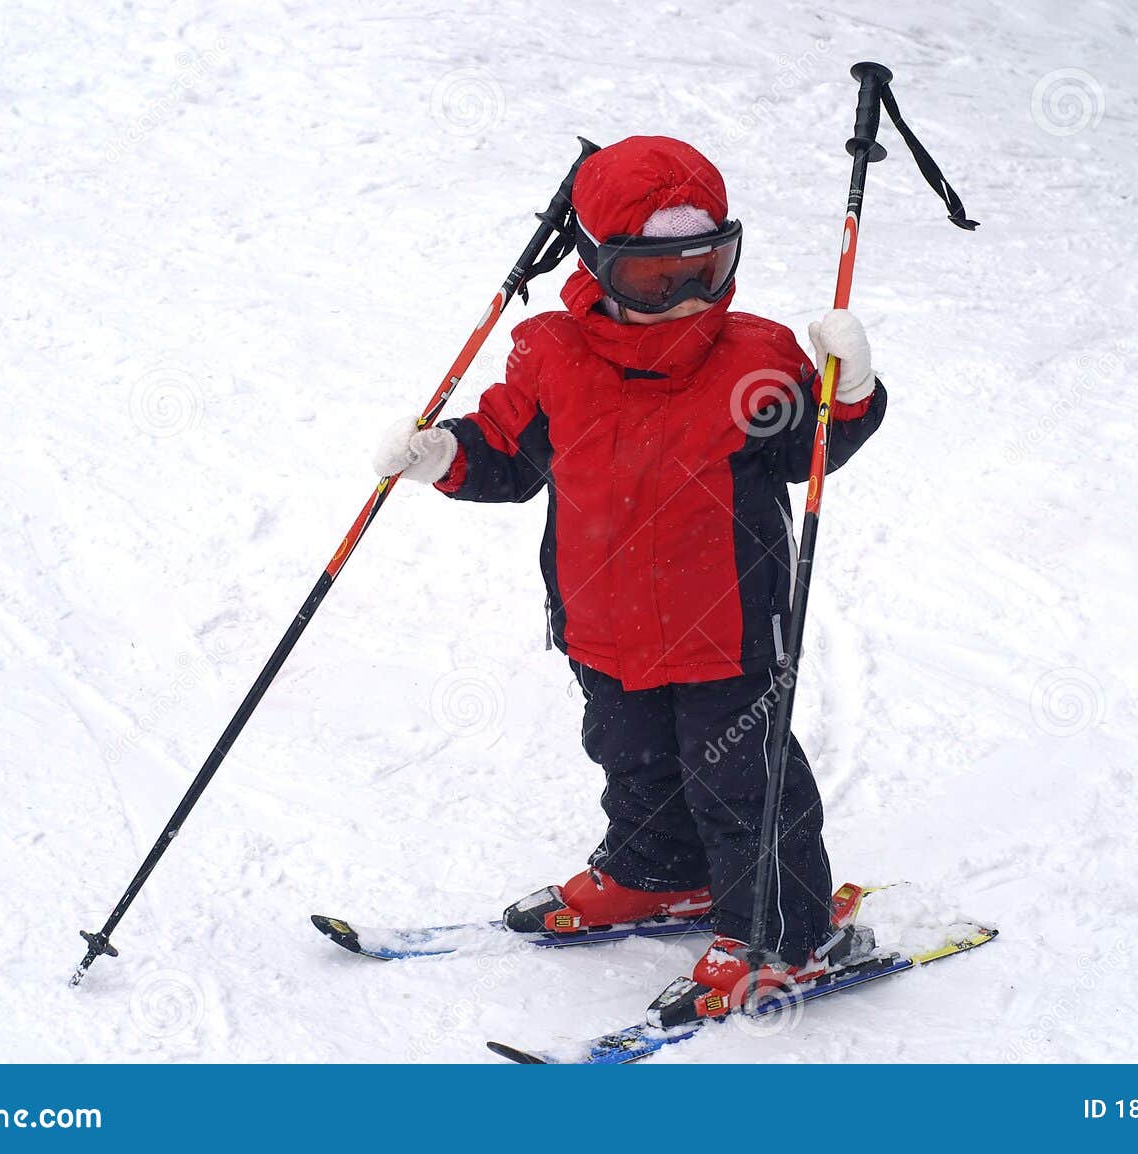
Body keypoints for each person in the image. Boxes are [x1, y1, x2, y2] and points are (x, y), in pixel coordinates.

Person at [371, 135, 886, 1003]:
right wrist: (442, 455)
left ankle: (787, 933)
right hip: (600, 620)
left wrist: (853, 388)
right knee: (629, 755)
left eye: (707, 267)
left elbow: (811, 448)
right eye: (654, 276)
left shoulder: (756, 356)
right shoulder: (550, 355)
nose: (685, 296)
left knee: (742, 783)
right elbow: (507, 452)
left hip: (729, 629)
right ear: (597, 266)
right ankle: (658, 871)